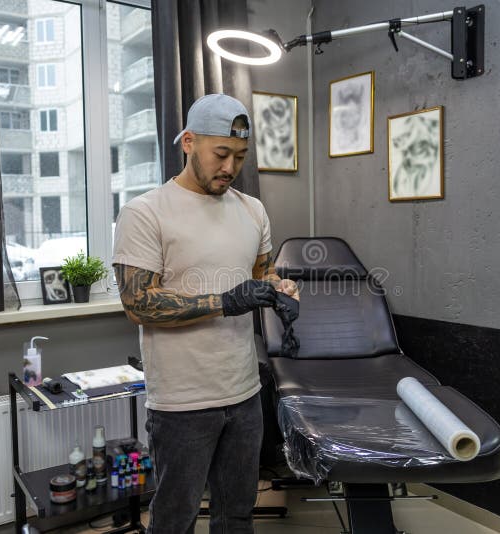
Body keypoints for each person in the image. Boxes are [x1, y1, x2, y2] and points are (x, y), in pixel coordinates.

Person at [112, 93, 298, 533]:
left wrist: (280, 287)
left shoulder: (253, 210)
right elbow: (138, 305)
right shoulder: (144, 213)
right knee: (174, 519)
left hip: (244, 391)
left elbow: (262, 272)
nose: (230, 168)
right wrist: (225, 301)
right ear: (189, 143)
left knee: (236, 514)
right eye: (221, 154)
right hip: (181, 402)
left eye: (239, 156)